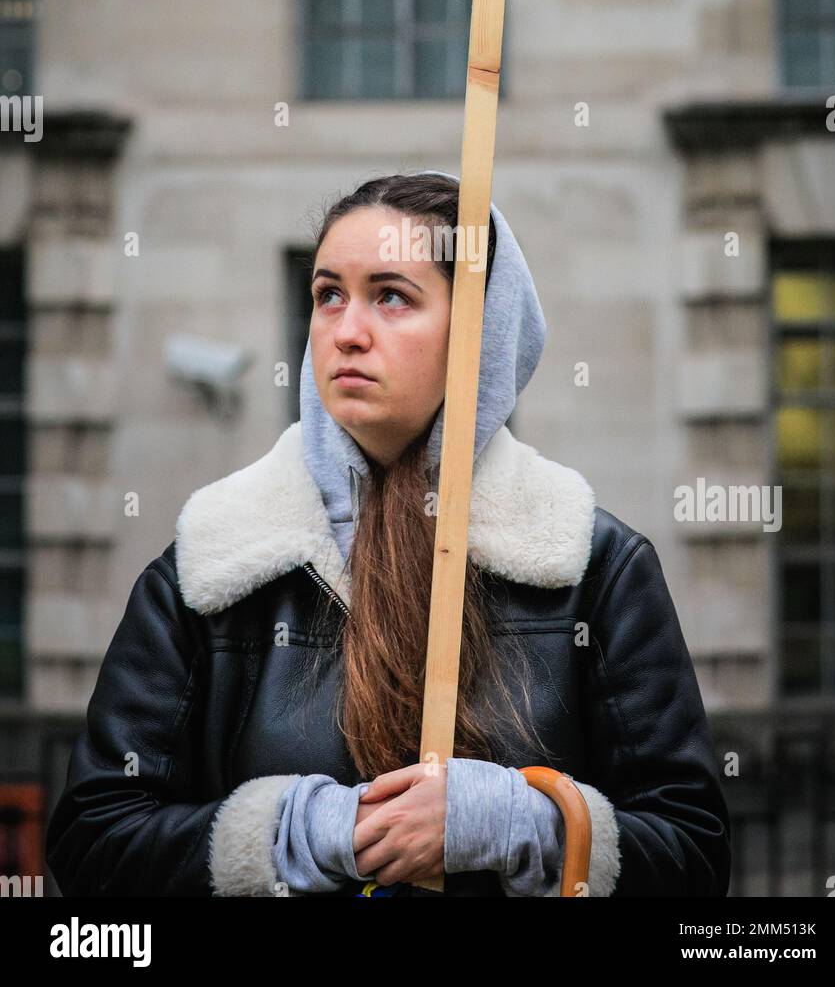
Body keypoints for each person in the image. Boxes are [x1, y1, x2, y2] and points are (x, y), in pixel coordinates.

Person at [45, 170, 731, 897]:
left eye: (391, 296)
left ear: (480, 333)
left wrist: (510, 824)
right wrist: (302, 833)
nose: (346, 331)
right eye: (328, 294)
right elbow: (95, 839)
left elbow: (691, 854)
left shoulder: (592, 566)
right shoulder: (216, 561)